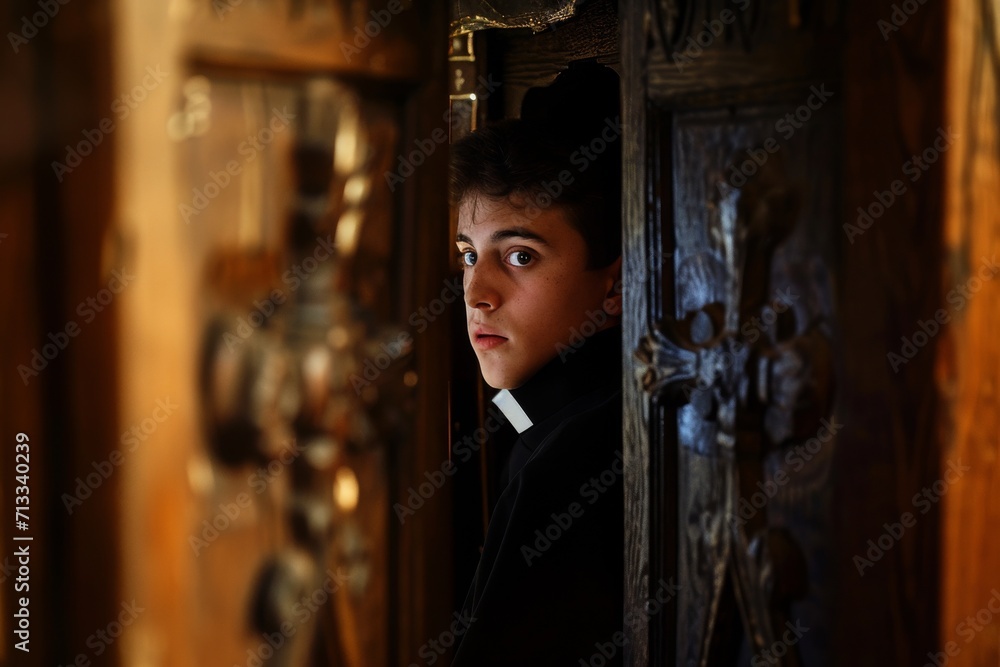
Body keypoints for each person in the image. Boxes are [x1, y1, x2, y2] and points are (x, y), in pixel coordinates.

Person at [448, 64, 625, 666]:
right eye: (470, 255)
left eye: (520, 255)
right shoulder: (538, 421)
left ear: (616, 282)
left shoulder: (582, 455)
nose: (476, 293)